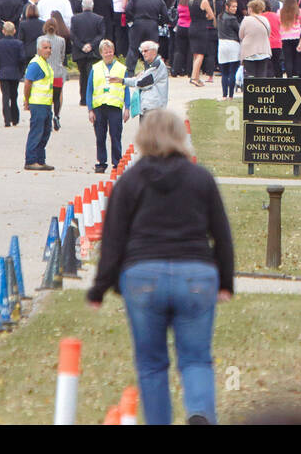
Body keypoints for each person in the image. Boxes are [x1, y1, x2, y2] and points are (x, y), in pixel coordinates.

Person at [87, 108, 234, 424]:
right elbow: (222, 234)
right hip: (196, 274)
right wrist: (225, 281)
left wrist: (100, 287)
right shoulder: (201, 178)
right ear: (180, 137)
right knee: (196, 359)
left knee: (152, 364)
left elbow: (113, 238)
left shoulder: (129, 181)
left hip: (143, 275)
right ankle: (199, 412)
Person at [87, 39, 131, 173]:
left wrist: (127, 108)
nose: (108, 54)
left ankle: (117, 162)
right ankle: (101, 162)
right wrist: (90, 110)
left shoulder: (121, 68)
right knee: (100, 136)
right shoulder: (95, 68)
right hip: (99, 106)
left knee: (116, 135)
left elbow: (126, 89)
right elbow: (90, 89)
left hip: (114, 107)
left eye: (110, 51)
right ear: (101, 53)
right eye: (105, 52)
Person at [22, 37, 56, 170]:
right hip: (37, 103)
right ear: (39, 49)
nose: (48, 50)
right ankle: (31, 160)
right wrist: (27, 100)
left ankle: (40, 160)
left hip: (46, 104)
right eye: (45, 48)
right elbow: (27, 83)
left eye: (49, 48)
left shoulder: (45, 63)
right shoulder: (36, 64)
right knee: (37, 132)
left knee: (45, 132)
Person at [69, 0, 105, 109]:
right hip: (93, 52)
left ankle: (83, 98)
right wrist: (92, 45)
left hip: (80, 52)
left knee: (83, 75)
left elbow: (73, 35)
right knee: (92, 75)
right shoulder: (99, 19)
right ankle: (92, 97)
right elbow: (101, 34)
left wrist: (81, 46)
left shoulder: (75, 19)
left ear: (82, 6)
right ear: (92, 6)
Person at [0, 21, 25, 127]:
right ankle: (15, 118)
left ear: (3, 31)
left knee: (5, 96)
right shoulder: (19, 44)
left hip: (4, 73)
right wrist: (20, 71)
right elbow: (22, 58)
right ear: (14, 31)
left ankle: (7, 120)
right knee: (14, 96)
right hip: (15, 73)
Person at [42, 14, 70, 131]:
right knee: (57, 96)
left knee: (46, 96)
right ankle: (57, 115)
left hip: (45, 72)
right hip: (58, 71)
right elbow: (63, 56)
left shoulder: (41, 40)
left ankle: (47, 116)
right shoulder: (61, 40)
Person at [187, 0, 217, 87]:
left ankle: (195, 76)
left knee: (195, 53)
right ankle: (194, 78)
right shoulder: (204, 1)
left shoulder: (190, 1)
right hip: (201, 28)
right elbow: (211, 15)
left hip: (192, 27)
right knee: (200, 54)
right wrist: (206, 17)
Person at [132, 41, 171, 117]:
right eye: (142, 51)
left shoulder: (157, 65)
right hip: (146, 108)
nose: (143, 53)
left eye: (146, 51)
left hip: (154, 111)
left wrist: (124, 80)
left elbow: (142, 83)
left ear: (154, 51)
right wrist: (122, 80)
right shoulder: (149, 65)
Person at [239, 0, 274, 79]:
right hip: (263, 50)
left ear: (250, 9)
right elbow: (268, 33)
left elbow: (241, 35)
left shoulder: (246, 20)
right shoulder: (265, 20)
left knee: (250, 75)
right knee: (262, 75)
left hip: (249, 52)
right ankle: (260, 90)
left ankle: (251, 90)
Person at [216, 0, 242, 98]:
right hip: (233, 44)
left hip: (222, 44)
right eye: (233, 7)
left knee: (224, 72)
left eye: (236, 7)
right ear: (227, 7)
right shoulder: (232, 19)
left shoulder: (220, 17)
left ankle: (224, 94)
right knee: (232, 71)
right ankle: (231, 95)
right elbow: (239, 30)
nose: (235, 9)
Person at [278, 0, 301, 80]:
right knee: (297, 57)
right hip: (297, 35)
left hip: (285, 37)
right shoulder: (298, 11)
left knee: (288, 58)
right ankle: (298, 75)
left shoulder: (280, 11)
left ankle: (289, 76)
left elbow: (278, 23)